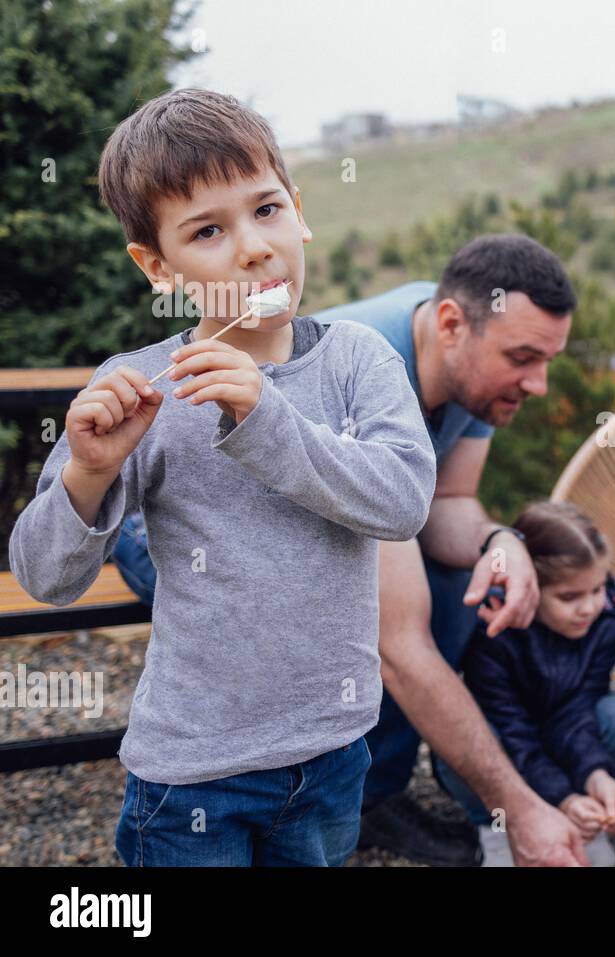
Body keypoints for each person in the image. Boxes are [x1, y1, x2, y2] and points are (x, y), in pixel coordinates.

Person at [9, 88, 439, 865]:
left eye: (267, 210)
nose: (253, 247)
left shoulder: (355, 361)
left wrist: (265, 418)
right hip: (193, 776)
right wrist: (87, 474)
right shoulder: (144, 389)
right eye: (207, 230)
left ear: (300, 211)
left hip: (333, 751)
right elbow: (45, 576)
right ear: (157, 265)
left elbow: (402, 501)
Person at [107, 233, 596, 866]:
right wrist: (527, 815)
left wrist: (501, 540)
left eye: (547, 360)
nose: (538, 383)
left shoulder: (474, 361)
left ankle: (375, 790)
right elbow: (399, 641)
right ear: (451, 324)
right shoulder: (368, 359)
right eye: (525, 358)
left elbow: (448, 503)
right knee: (377, 620)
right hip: (171, 527)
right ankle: (268, 787)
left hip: (324, 511)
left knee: (462, 585)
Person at [437, 501, 615, 866]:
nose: (588, 607)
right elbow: (512, 727)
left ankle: (581, 818)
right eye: (569, 597)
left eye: (598, 589)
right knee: (462, 741)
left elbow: (579, 709)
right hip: (507, 741)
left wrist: (594, 776)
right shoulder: (493, 632)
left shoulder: (606, 621)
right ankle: (496, 827)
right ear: (529, 586)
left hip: (564, 740)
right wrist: (565, 795)